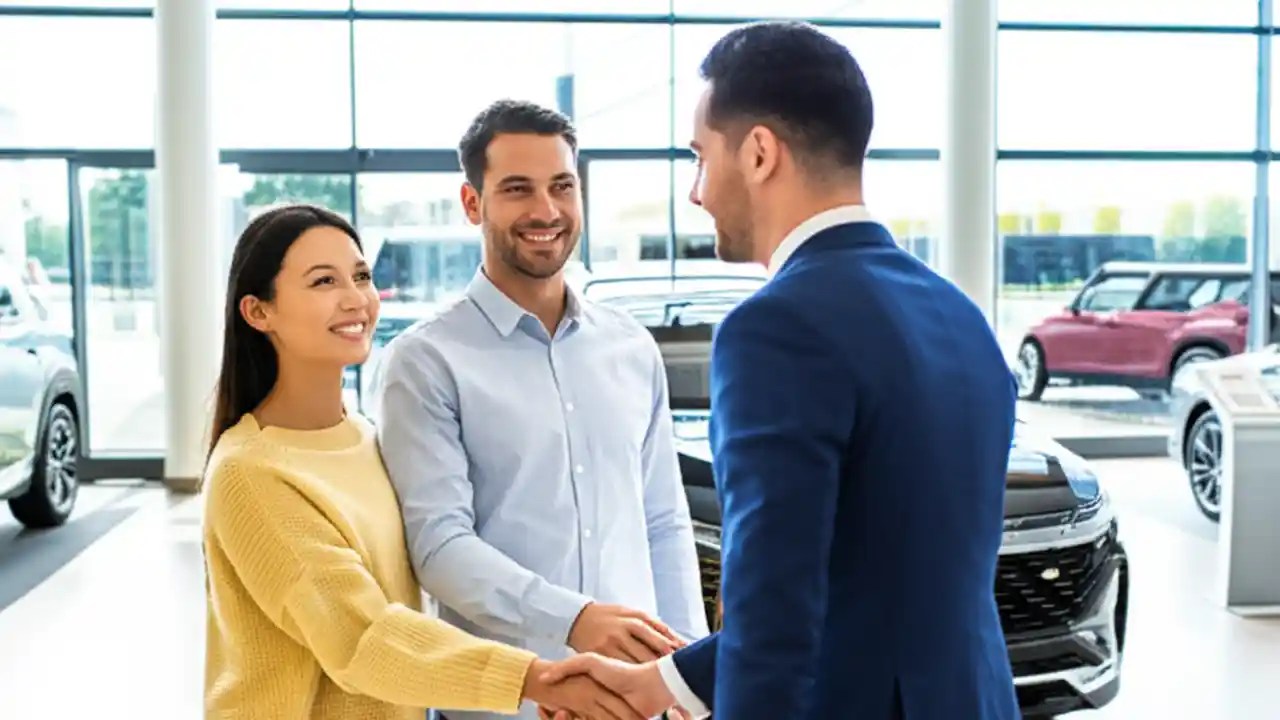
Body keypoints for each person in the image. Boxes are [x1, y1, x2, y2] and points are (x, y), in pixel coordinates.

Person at [542, 20, 1021, 720]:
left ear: (760, 152)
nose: (696, 192)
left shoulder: (776, 327)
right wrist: (669, 682)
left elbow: (775, 615)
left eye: (700, 157)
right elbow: (869, 575)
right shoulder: (960, 315)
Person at [201, 203, 643, 720]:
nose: (355, 299)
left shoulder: (364, 438)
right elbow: (364, 639)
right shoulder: (252, 473)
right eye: (323, 282)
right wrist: (534, 678)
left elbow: (411, 603)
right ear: (258, 312)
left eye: (361, 276)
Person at [367, 99, 709, 720]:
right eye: (517, 189)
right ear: (473, 204)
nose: (546, 211)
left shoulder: (631, 348)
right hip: (506, 705)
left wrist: (682, 677)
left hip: (637, 702)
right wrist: (573, 619)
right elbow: (439, 545)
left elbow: (663, 520)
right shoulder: (425, 361)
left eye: (562, 186)